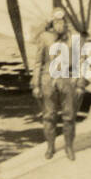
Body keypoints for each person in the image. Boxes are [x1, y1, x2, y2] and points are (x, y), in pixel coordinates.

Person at [29, 8, 78, 160]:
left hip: (66, 80)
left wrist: (78, 82)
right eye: (56, 22)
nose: (59, 25)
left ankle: (69, 147)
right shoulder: (44, 37)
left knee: (69, 116)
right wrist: (36, 84)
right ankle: (50, 147)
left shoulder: (73, 38)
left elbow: (80, 61)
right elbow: (38, 62)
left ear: (66, 22)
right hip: (47, 80)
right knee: (49, 116)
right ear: (52, 23)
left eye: (61, 21)